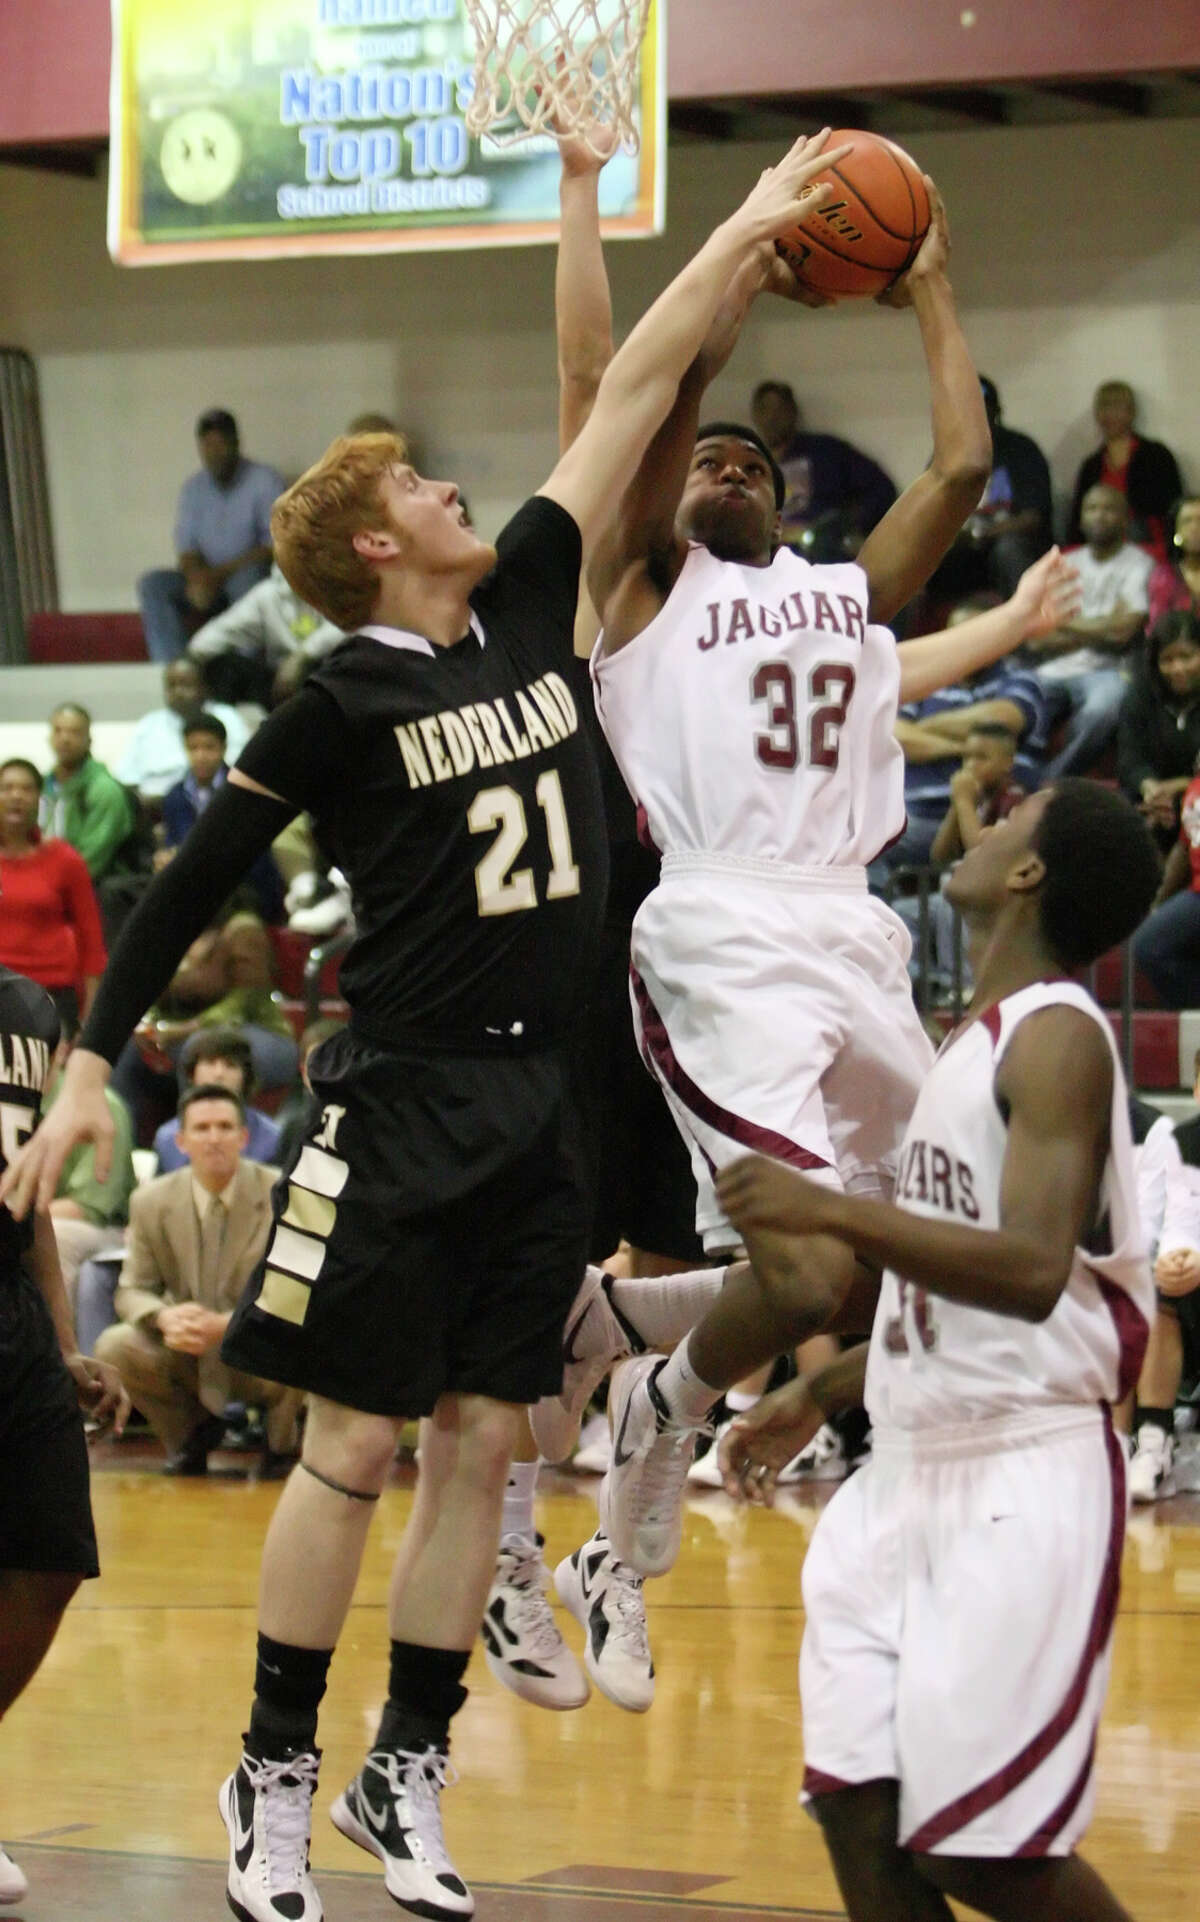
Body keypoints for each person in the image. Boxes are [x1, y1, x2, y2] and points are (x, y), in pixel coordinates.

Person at [1, 131, 857, 1922]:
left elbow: (625, 381)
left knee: (483, 1436)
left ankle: (410, 1761)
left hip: (543, 1103)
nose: (472, 490)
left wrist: (748, 228)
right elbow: (181, 886)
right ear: (379, 542)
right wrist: (90, 1064)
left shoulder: (531, 605)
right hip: (395, 1108)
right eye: (430, 487)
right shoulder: (339, 696)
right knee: (356, 1443)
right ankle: (274, 1761)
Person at [713, 777, 1160, 1922]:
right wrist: (829, 1381)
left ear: (1027, 873)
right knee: (859, 1812)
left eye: (1012, 813)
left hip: (1022, 1479)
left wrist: (833, 1212)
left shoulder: (1058, 1035)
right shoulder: (965, 1039)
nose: (985, 817)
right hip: (901, 1473)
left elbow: (1027, 1271)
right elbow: (950, 1296)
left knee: (987, 1856)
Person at [0, 964, 128, 1908]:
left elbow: (31, 1194)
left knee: (50, 1557)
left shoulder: (28, 1008)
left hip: (11, 1317)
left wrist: (67, 1341)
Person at [94, 1085, 301, 1478]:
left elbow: (296, 1289)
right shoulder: (150, 1201)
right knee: (115, 1345)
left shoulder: (283, 1195)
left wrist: (227, 1325)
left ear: (244, 1137)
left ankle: (282, 1445)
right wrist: (164, 1318)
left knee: (309, 1333)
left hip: (260, 1347)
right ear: (181, 1141)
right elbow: (132, 1289)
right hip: (186, 1347)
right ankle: (190, 1438)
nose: (213, 1137)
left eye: (224, 1127)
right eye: (202, 1128)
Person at [881, 596, 1050, 875]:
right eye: (955, 634)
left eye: (970, 634)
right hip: (909, 812)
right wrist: (973, 748)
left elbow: (1002, 719)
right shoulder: (930, 679)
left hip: (983, 814)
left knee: (864, 840)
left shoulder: (1020, 679)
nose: (960, 644)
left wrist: (922, 727)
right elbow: (894, 735)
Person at [1025, 483, 1155, 779]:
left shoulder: (1139, 564)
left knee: (1104, 709)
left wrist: (1061, 621)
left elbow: (1123, 633)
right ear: (1081, 518)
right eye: (1092, 508)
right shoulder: (1065, 564)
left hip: (1108, 670)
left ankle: (1048, 782)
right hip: (1054, 668)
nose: (1099, 516)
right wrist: (1103, 626)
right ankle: (1018, 777)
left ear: (1125, 519)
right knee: (1015, 698)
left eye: (1109, 509)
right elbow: (1035, 639)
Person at [137, 409, 283, 665]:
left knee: (250, 581)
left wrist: (214, 576)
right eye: (207, 445)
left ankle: (241, 669)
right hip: (205, 579)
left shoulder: (264, 480)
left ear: (236, 443)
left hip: (244, 574)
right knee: (152, 584)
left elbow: (273, 547)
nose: (214, 452)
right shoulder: (193, 488)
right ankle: (174, 667)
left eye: (221, 444)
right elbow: (186, 548)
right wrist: (196, 578)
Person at [1126, 1053, 1200, 1503]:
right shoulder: (1180, 1142)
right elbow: (1173, 1225)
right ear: (1196, 1088)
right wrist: (1173, 1260)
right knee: (1155, 1290)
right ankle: (1152, 1437)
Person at [0, 759, 107, 1031]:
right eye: (7, 788)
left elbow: (91, 941)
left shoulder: (64, 859)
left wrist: (90, 1020)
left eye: (26, 789)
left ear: (39, 799)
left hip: (50, 996)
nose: (16, 796)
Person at [926, 375, 1053, 604]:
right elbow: (931, 516)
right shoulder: (945, 455)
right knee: (924, 555)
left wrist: (983, 534)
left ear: (996, 411)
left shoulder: (1021, 450)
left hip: (1009, 542)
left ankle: (1025, 630)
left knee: (1008, 549)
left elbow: (1032, 518)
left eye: (980, 408)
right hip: (965, 549)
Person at [159, 714, 285, 923]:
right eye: (193, 748)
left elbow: (253, 857)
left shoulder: (242, 791)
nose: (200, 756)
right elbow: (174, 842)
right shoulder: (175, 796)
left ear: (223, 748)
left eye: (209, 748)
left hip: (239, 886)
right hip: (190, 884)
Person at [749, 377, 896, 556]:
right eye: (765, 409)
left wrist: (844, 526)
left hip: (820, 555)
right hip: (768, 560)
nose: (772, 417)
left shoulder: (825, 452)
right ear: (755, 415)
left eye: (780, 409)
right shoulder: (748, 463)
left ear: (793, 412)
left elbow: (881, 489)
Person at [188, 561, 346, 707]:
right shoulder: (268, 593)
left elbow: (351, 624)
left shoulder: (338, 582)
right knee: (221, 667)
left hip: (329, 669)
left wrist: (302, 656)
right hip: (280, 678)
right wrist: (192, 659)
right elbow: (224, 630)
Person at [1066, 379, 1184, 560]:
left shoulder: (1156, 455)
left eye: (1117, 408)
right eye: (1104, 408)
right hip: (1102, 537)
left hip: (1146, 539)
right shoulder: (1091, 465)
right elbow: (1078, 519)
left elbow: (1173, 507)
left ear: (1131, 412)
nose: (1110, 415)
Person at [1116, 610, 1200, 848]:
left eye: (1187, 657)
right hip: (1152, 800)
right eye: (1168, 660)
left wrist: (1178, 786)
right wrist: (1151, 788)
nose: (1178, 669)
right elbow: (1130, 759)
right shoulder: (1141, 695)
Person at [115, 658, 250, 802]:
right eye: (171, 686)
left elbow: (238, 770)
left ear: (204, 687)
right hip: (153, 808)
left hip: (214, 803)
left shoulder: (228, 717)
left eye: (185, 685)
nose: (178, 692)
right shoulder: (149, 724)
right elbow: (126, 777)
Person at [155, 1025, 283, 1171]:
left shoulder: (272, 1138)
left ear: (245, 1077)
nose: (219, 1073)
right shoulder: (167, 1138)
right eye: (210, 1063)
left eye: (230, 1065)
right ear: (192, 1074)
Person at [1131, 749, 1200, 1008]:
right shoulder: (1195, 789)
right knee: (1148, 944)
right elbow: (1184, 848)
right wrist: (1157, 903)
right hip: (1196, 893)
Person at [40, 705, 136, 887]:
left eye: (74, 732)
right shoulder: (40, 786)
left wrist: (45, 885)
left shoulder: (104, 790)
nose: (65, 739)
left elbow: (92, 860)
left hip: (88, 889)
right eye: (58, 731)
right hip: (39, 881)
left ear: (89, 740)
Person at [1147, 494, 1200, 630]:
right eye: (1187, 521)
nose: (1194, 528)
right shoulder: (1163, 576)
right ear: (1176, 531)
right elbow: (1157, 629)